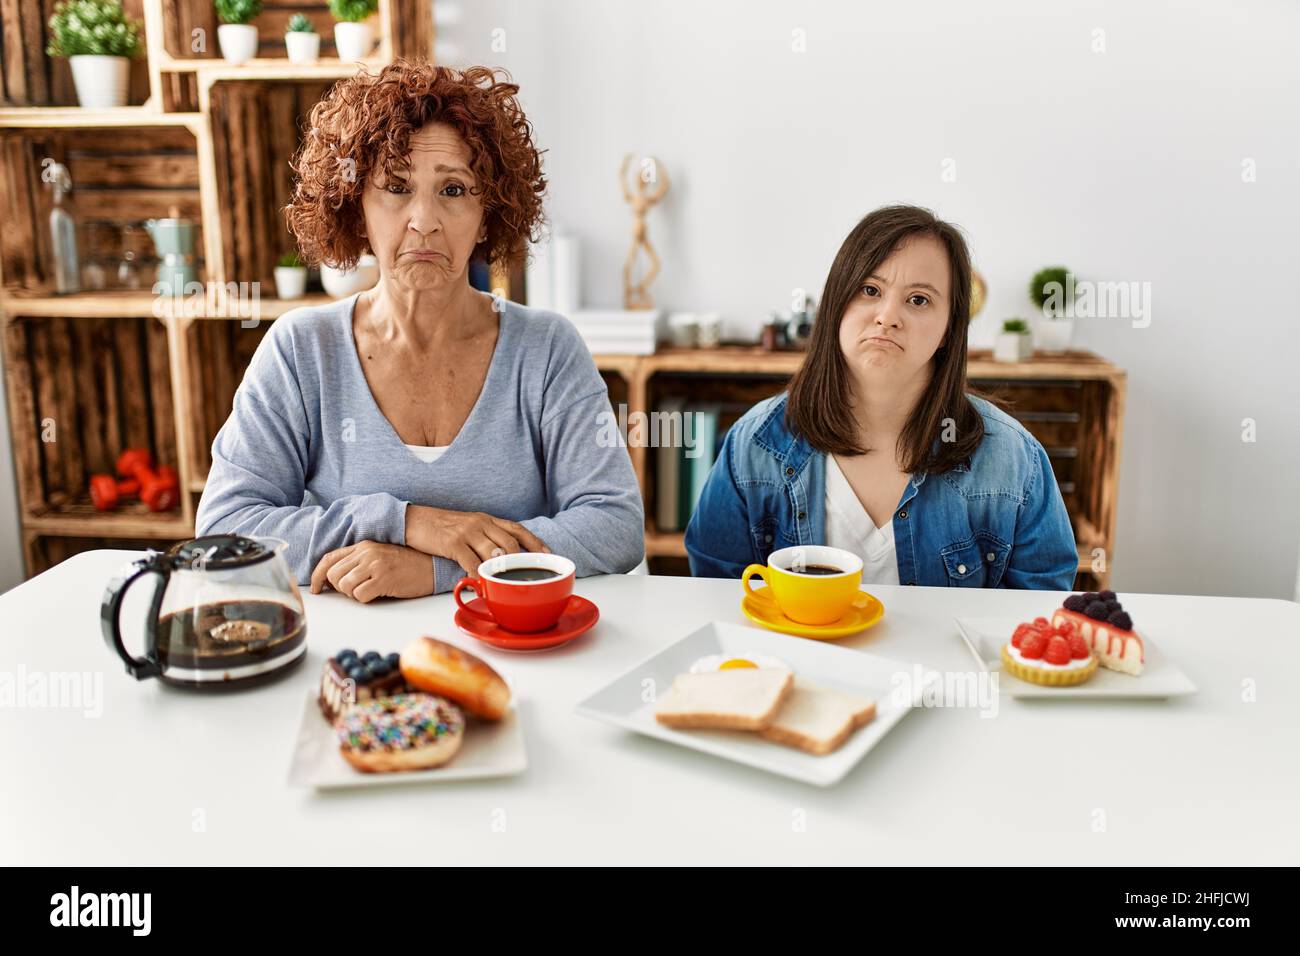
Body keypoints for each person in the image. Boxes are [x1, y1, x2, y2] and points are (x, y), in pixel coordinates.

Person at [196, 62, 644, 603]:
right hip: (350, 662)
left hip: (513, 656)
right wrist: (406, 522)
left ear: (487, 215)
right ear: (356, 207)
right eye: (396, 187)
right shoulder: (301, 349)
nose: (424, 219)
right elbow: (224, 532)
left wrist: (436, 572)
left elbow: (614, 527)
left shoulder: (547, 349)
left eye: (454, 189)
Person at [685, 205, 1077, 589]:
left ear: (949, 329)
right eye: (870, 290)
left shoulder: (1012, 457)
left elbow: (1038, 617)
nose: (888, 316)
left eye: (919, 299)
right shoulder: (754, 445)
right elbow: (716, 596)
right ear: (836, 302)